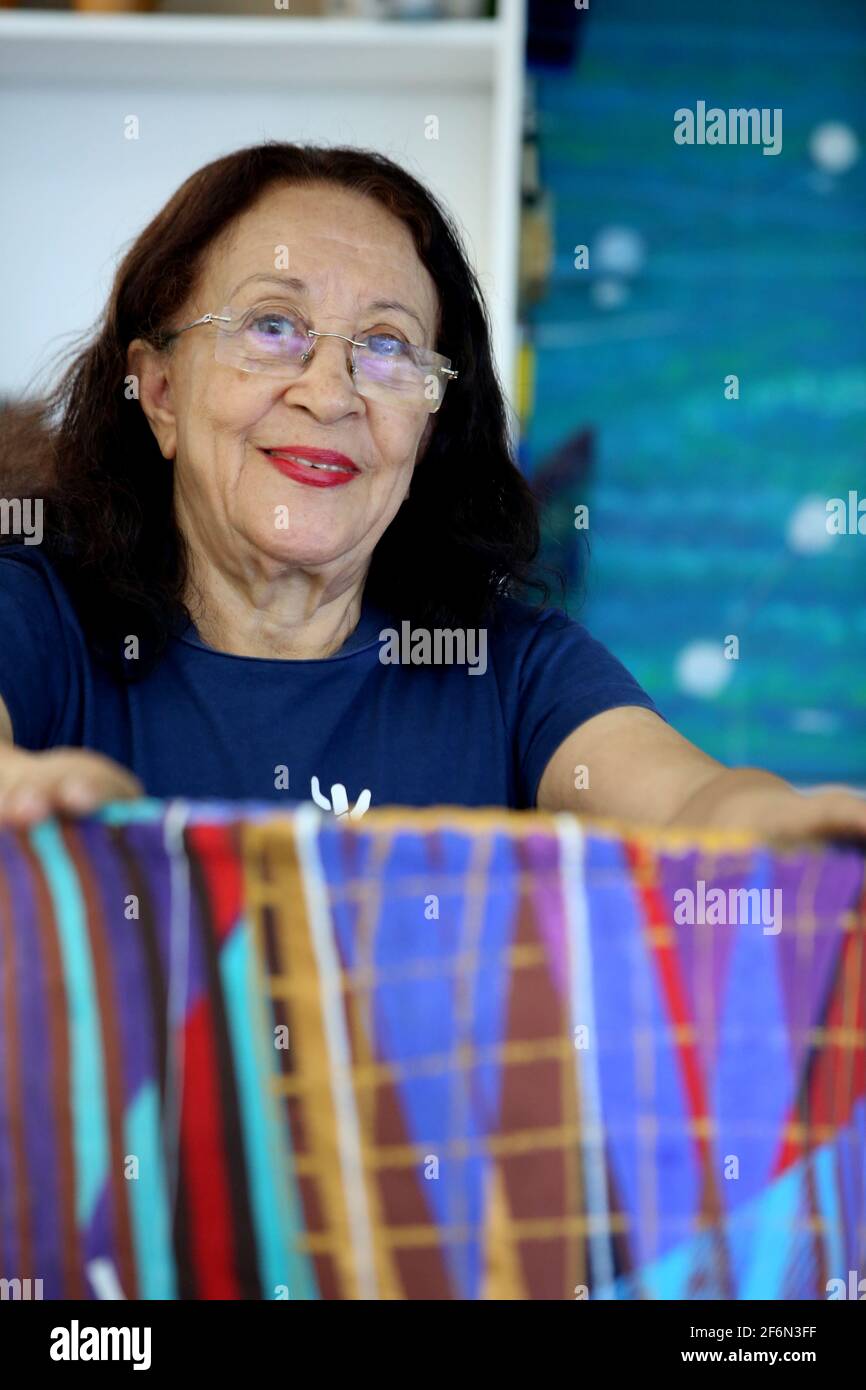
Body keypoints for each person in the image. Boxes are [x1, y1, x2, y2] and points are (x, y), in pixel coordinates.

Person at [0, 141, 863, 845]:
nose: (331, 394)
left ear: (429, 419)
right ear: (159, 395)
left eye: (386, 347)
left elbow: (688, 805)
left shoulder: (514, 669)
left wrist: (783, 824)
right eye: (272, 327)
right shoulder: (39, 616)